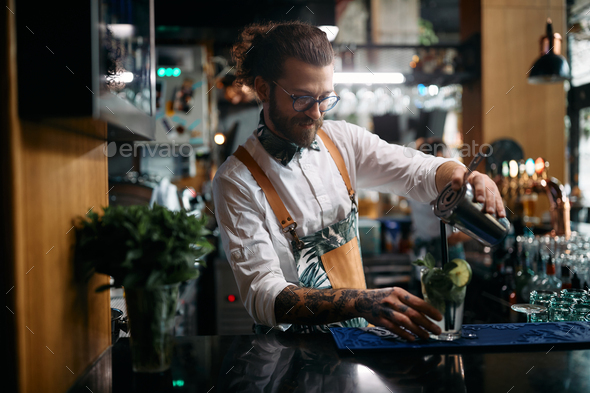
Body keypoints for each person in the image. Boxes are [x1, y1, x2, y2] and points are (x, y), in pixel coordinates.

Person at [212, 21, 505, 340]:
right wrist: (361, 300)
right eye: (302, 99)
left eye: (326, 98)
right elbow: (263, 295)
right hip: (288, 360)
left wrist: (463, 175)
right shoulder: (236, 180)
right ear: (264, 89)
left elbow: (416, 171)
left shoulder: (342, 141)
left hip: (359, 344)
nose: (316, 113)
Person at [408, 138, 472, 263]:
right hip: (445, 253)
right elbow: (456, 234)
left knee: (424, 282)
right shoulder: (445, 187)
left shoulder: (411, 182)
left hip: (421, 253)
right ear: (439, 155)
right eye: (448, 157)